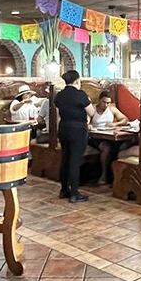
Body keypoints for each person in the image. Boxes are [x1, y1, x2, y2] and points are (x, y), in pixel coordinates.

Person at [54, 70, 95, 203]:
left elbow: (57, 115)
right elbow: (92, 112)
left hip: (63, 128)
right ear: (77, 80)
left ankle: (64, 190)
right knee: (75, 161)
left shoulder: (59, 95)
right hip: (77, 130)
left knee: (65, 158)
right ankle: (74, 193)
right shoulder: (80, 95)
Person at [89, 90, 131, 185]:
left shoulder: (112, 109)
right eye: (104, 102)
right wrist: (89, 125)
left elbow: (125, 119)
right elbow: (86, 122)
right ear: (100, 100)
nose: (106, 105)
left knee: (121, 146)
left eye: (108, 102)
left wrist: (115, 124)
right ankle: (103, 175)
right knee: (106, 147)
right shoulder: (93, 109)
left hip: (109, 135)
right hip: (95, 137)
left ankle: (114, 177)